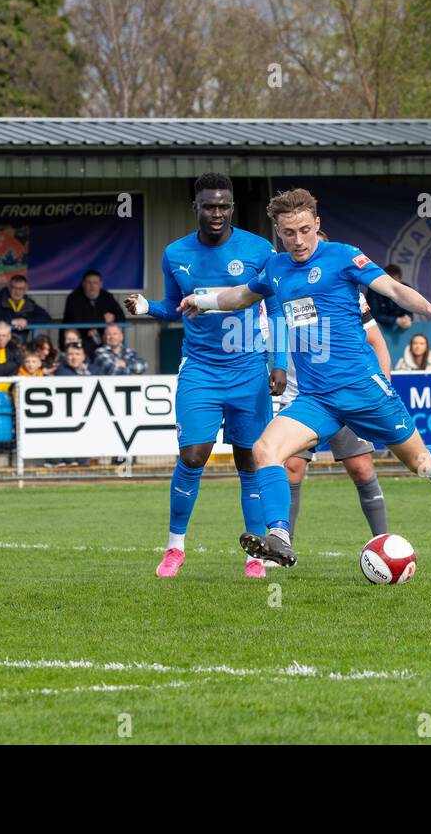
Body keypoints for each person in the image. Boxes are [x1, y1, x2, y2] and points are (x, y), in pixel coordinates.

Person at [178, 187, 431, 570]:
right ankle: (279, 537)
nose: (298, 240)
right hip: (316, 399)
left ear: (317, 225)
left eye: (304, 230)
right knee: (265, 450)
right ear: (277, 232)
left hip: (365, 390)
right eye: (288, 233)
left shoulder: (343, 256)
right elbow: (241, 297)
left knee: (419, 464)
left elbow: (393, 289)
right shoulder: (276, 268)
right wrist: (203, 301)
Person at [123, 171, 288, 579]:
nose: (218, 213)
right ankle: (175, 547)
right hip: (199, 369)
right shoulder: (175, 253)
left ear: (233, 207)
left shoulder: (259, 248)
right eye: (210, 206)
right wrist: (148, 309)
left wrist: (279, 361)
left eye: (225, 206)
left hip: (249, 369)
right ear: (195, 207)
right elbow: (174, 307)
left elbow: (279, 309)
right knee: (192, 455)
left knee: (249, 460)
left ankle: (255, 553)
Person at [280, 230, 391, 547]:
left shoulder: (350, 295)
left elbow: (377, 343)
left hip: (347, 392)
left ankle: (383, 542)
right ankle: (283, 544)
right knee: (291, 470)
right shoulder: (280, 285)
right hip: (301, 397)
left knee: (360, 467)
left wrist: (381, 388)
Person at [64, 268, 125, 354]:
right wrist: (102, 319)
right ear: (83, 284)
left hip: (104, 338)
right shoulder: (74, 298)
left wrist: (114, 317)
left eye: (95, 283)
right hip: (82, 338)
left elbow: (122, 318)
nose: (92, 286)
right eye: (89, 283)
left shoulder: (107, 297)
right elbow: (76, 319)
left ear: (100, 284)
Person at [0, 274, 50, 338]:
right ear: (9, 287)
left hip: (19, 345)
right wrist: (11, 322)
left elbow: (46, 317)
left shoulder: (29, 303)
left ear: (26, 289)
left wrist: (27, 321)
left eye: (21, 289)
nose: (18, 292)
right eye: (15, 288)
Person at [365, 263, 412, 331]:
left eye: (395, 281)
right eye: (390, 282)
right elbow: (373, 314)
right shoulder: (374, 289)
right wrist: (396, 320)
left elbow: (410, 310)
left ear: (400, 280)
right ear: (384, 280)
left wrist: (408, 318)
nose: (393, 286)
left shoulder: (406, 289)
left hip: (400, 330)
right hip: (378, 329)